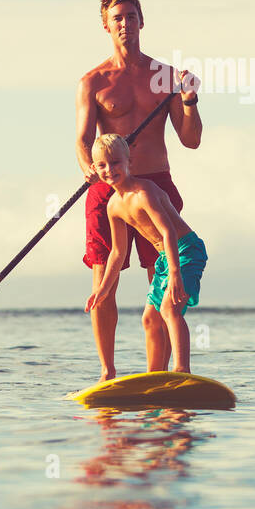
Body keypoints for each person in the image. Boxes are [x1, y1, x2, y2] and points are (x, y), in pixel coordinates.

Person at [76, 0, 201, 380]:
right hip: (109, 187)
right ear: (106, 27)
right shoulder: (93, 81)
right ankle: (108, 373)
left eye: (131, 16)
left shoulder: (165, 77)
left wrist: (189, 100)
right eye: (117, 18)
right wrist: (88, 167)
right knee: (104, 278)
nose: (125, 24)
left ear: (142, 21)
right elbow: (82, 141)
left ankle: (159, 374)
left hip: (155, 184)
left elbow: (191, 139)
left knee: (162, 278)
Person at [85, 134, 207, 375]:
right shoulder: (113, 206)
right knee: (150, 319)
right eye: (102, 165)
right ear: (94, 168)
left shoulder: (144, 192)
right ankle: (154, 377)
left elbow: (168, 231)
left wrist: (175, 274)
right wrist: (103, 289)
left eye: (116, 162)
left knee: (170, 310)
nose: (110, 169)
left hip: (186, 251)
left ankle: (182, 370)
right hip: (166, 258)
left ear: (129, 161)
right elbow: (117, 253)